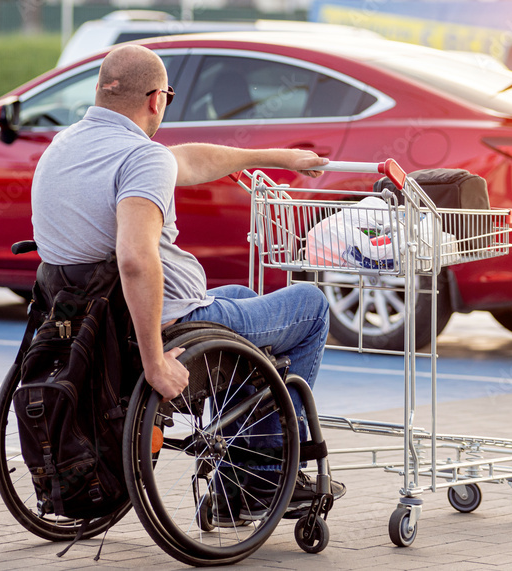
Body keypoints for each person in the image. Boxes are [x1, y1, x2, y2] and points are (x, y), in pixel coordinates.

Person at [30, 44, 343, 521]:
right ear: (157, 100)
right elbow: (135, 258)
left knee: (241, 297)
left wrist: (279, 157)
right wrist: (155, 361)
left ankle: (241, 470)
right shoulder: (140, 158)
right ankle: (267, 470)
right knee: (311, 304)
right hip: (166, 326)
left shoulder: (66, 146)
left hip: (90, 323)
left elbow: (190, 160)